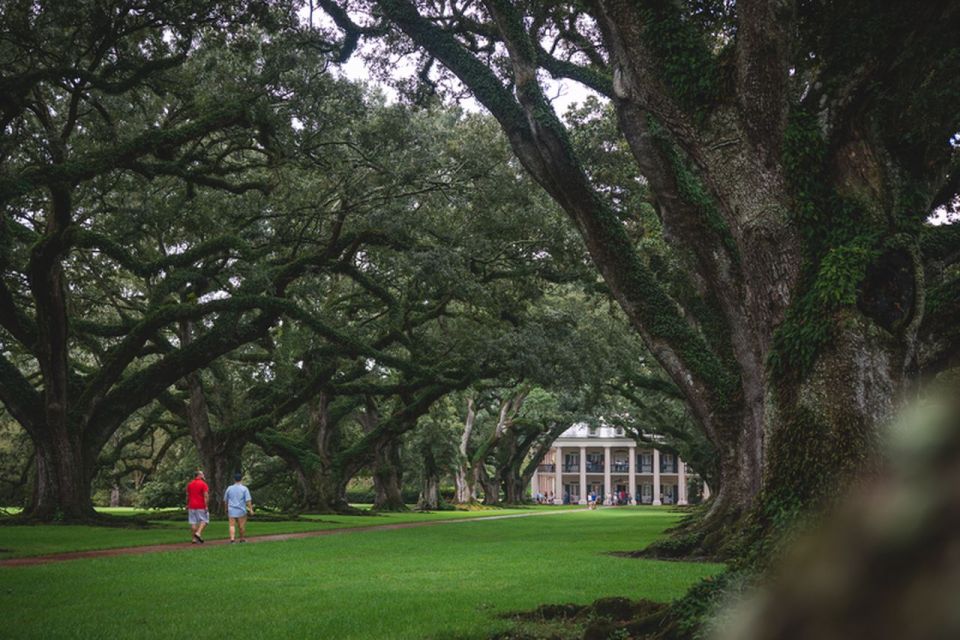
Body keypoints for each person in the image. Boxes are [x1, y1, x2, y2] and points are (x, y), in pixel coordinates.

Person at [224, 472, 254, 543]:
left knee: (231, 525)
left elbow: (226, 500)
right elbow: (248, 500)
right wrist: (251, 509)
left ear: (234, 479)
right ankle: (242, 538)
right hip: (241, 509)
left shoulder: (229, 488)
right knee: (241, 525)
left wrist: (226, 508)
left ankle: (232, 539)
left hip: (231, 509)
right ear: (241, 479)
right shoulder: (244, 489)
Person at [186, 469, 209, 543]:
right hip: (201, 505)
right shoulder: (203, 484)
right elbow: (206, 496)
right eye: (202, 474)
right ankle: (198, 533)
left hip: (191, 505)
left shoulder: (190, 484)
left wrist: (187, 504)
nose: (203, 475)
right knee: (204, 520)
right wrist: (206, 505)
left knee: (193, 522)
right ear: (199, 475)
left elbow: (188, 495)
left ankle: (194, 539)